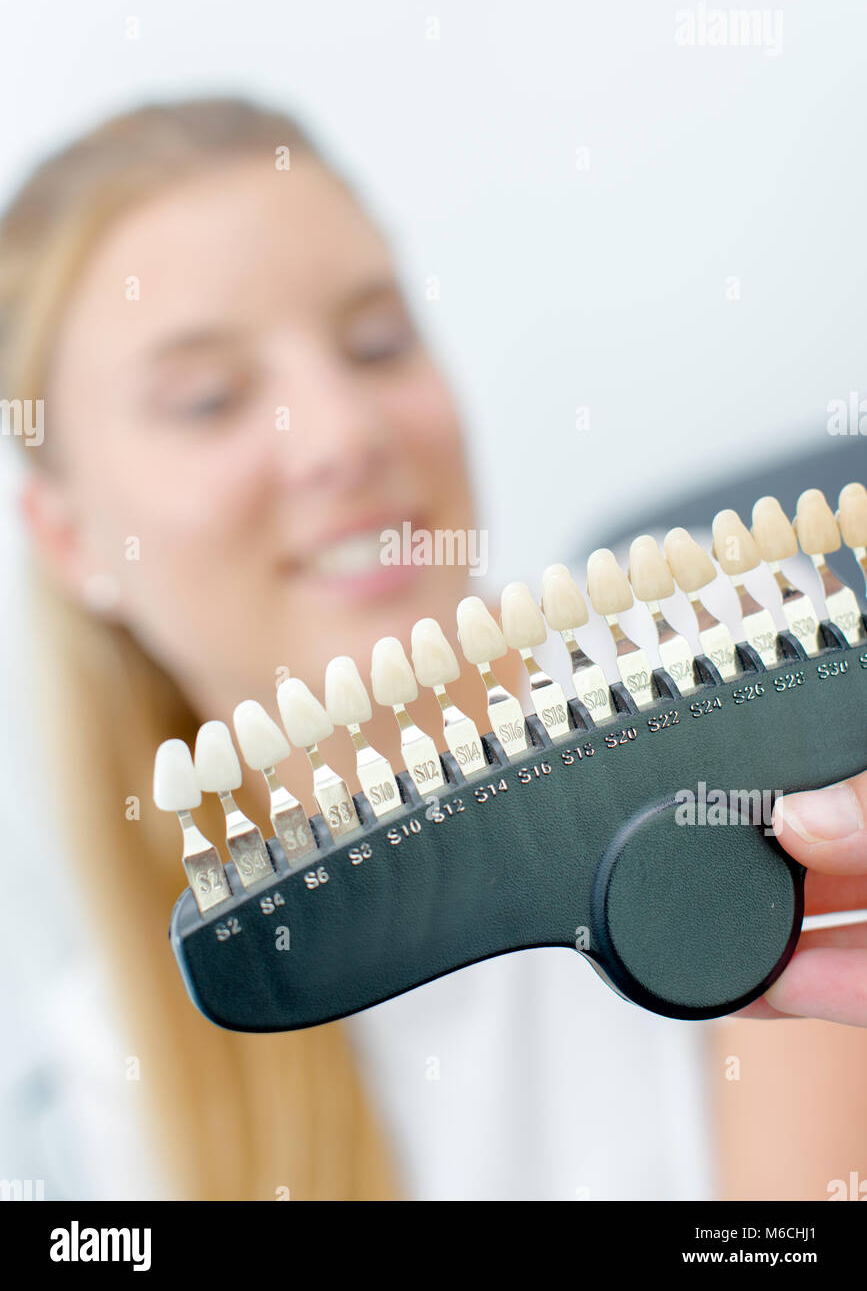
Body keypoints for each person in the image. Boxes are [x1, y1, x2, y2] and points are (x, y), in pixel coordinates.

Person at [1, 97, 865, 1202]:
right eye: (209, 400)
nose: (342, 431)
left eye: (377, 341)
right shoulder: (107, 1089)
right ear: (72, 541)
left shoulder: (735, 680)